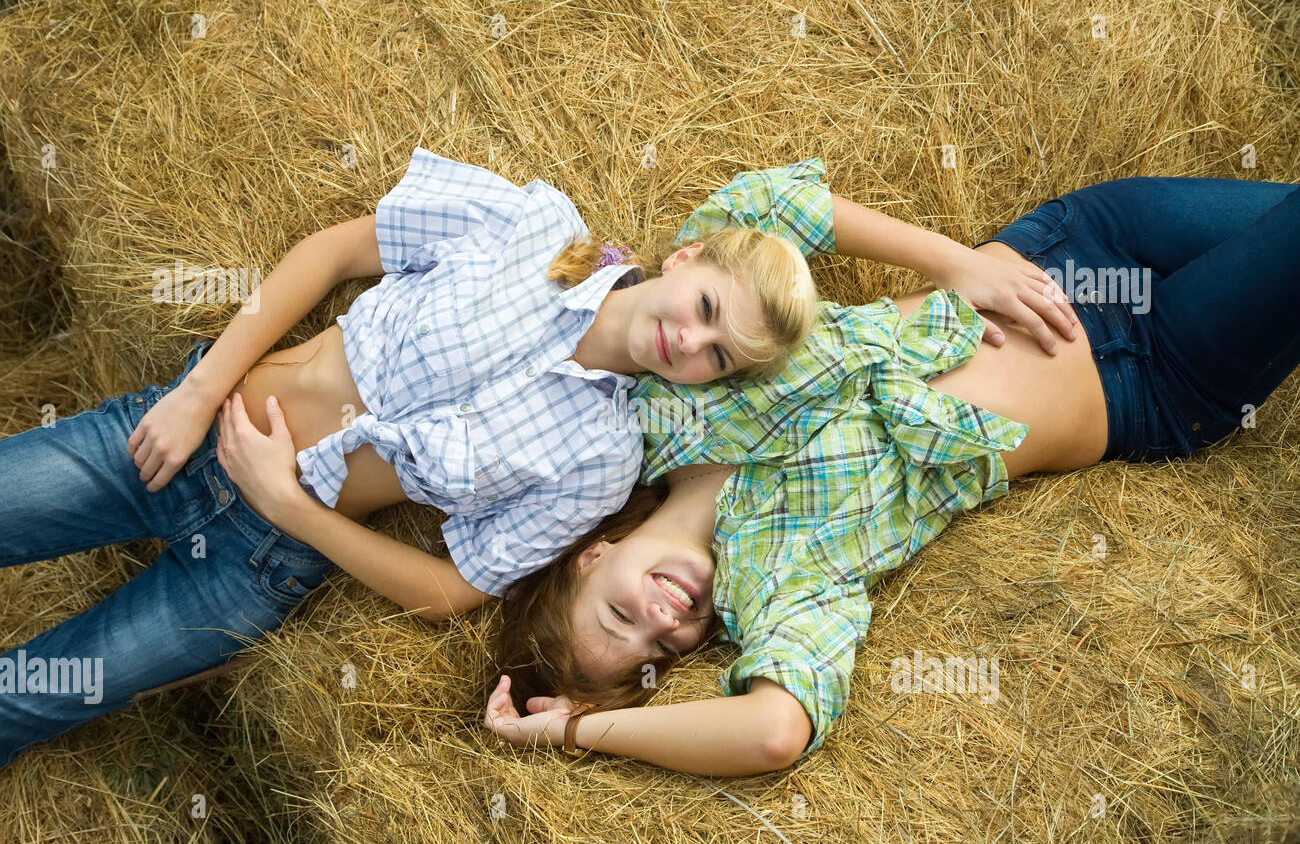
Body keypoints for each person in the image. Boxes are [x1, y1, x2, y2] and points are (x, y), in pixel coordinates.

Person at [0, 147, 823, 768]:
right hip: (186, 438)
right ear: (686, 260)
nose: (690, 340)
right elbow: (334, 254)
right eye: (707, 307)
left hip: (261, 561)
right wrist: (198, 392)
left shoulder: (603, 460)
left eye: (718, 355)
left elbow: (455, 589)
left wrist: (288, 508)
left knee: (26, 700)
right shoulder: (534, 227)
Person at [485, 161, 1300, 776]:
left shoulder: (659, 414)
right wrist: (573, 729)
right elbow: (772, 732)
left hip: (1076, 246)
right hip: (1151, 373)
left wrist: (955, 263)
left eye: (620, 618)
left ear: (593, 556)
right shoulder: (780, 588)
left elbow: (765, 210)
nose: (664, 622)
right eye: (664, 651)